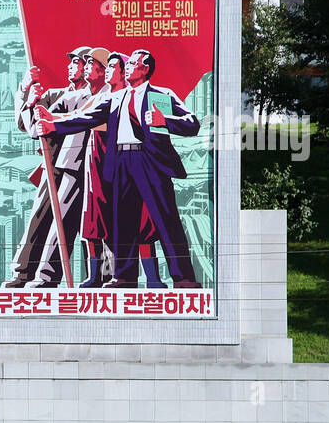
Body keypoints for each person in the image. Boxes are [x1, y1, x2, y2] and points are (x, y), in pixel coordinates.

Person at [36, 48, 203, 289]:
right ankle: (124, 277)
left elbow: (192, 123)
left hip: (150, 163)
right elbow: (85, 118)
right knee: (122, 223)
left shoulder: (161, 95)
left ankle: (184, 279)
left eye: (133, 64)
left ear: (145, 69)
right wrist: (53, 124)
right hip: (121, 163)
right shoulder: (115, 99)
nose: (128, 68)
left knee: (167, 221)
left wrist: (164, 121)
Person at [4, 46, 91, 288]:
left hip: (83, 168)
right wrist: (26, 93)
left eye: (77, 62)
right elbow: (27, 124)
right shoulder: (55, 94)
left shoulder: (94, 96)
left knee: (73, 226)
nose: (70, 66)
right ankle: (23, 274)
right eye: (70, 61)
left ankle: (51, 277)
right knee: (38, 220)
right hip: (53, 166)